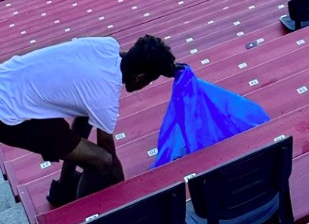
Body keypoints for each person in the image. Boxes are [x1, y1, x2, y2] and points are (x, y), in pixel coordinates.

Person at [0, 35, 177, 206]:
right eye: (149, 81)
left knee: (84, 120)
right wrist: (126, 195)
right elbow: (109, 157)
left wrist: (170, 68)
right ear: (139, 77)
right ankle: (82, 220)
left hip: (9, 81)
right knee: (101, 162)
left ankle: (64, 188)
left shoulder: (106, 45)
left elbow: (132, 56)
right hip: (10, 116)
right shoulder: (105, 96)